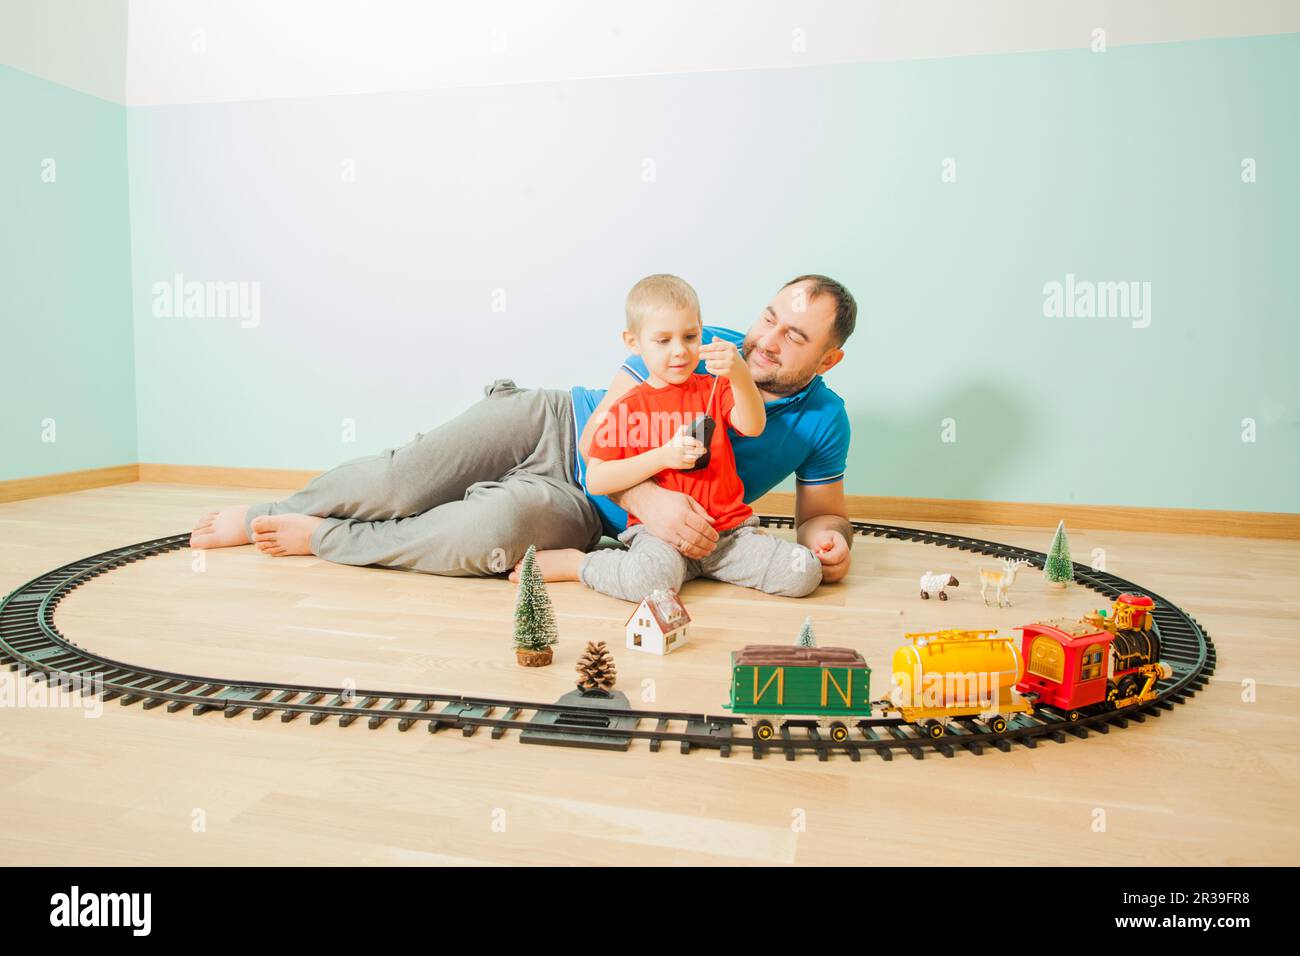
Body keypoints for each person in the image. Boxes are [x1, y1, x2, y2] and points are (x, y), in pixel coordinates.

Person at [189, 274, 858, 585]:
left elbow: (822, 514)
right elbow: (605, 432)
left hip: (584, 511)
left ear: (829, 358)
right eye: (768, 315)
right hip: (557, 424)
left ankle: (327, 539)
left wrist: (829, 544)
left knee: (484, 537)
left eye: (792, 334)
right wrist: (650, 498)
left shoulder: (826, 422)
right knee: (400, 481)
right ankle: (266, 514)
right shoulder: (697, 339)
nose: (764, 338)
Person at [521, 274, 821, 600]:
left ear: (701, 329)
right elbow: (596, 478)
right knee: (648, 583)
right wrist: (663, 456)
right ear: (634, 342)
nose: (679, 351)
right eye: (663, 341)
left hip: (729, 536)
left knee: (803, 571)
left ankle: (703, 569)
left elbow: (752, 425)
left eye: (690, 336)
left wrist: (738, 374)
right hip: (660, 537)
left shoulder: (715, 389)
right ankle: (578, 565)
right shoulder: (628, 407)